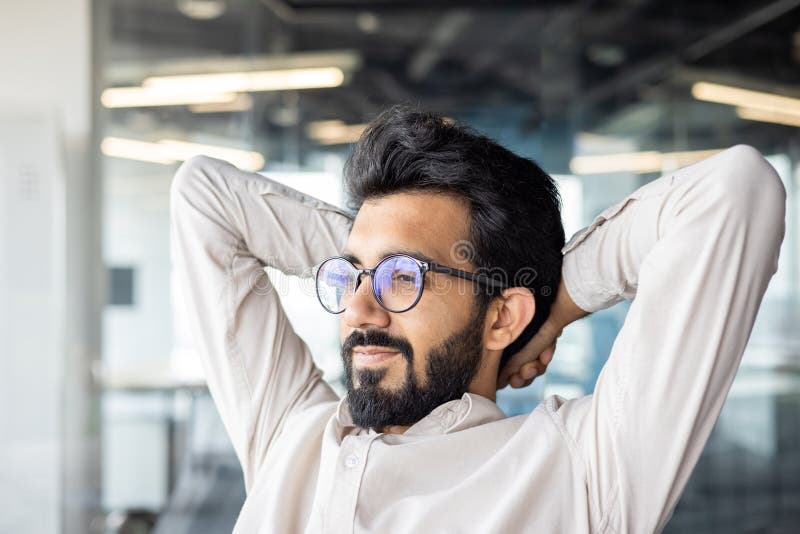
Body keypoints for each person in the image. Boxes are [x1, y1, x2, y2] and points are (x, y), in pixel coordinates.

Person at [169, 106, 785, 533]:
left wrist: (552, 304)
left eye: (403, 279)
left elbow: (734, 193)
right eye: (351, 277)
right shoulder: (292, 436)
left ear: (501, 319)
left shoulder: (583, 472)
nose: (357, 308)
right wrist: (383, 254)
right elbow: (203, 196)